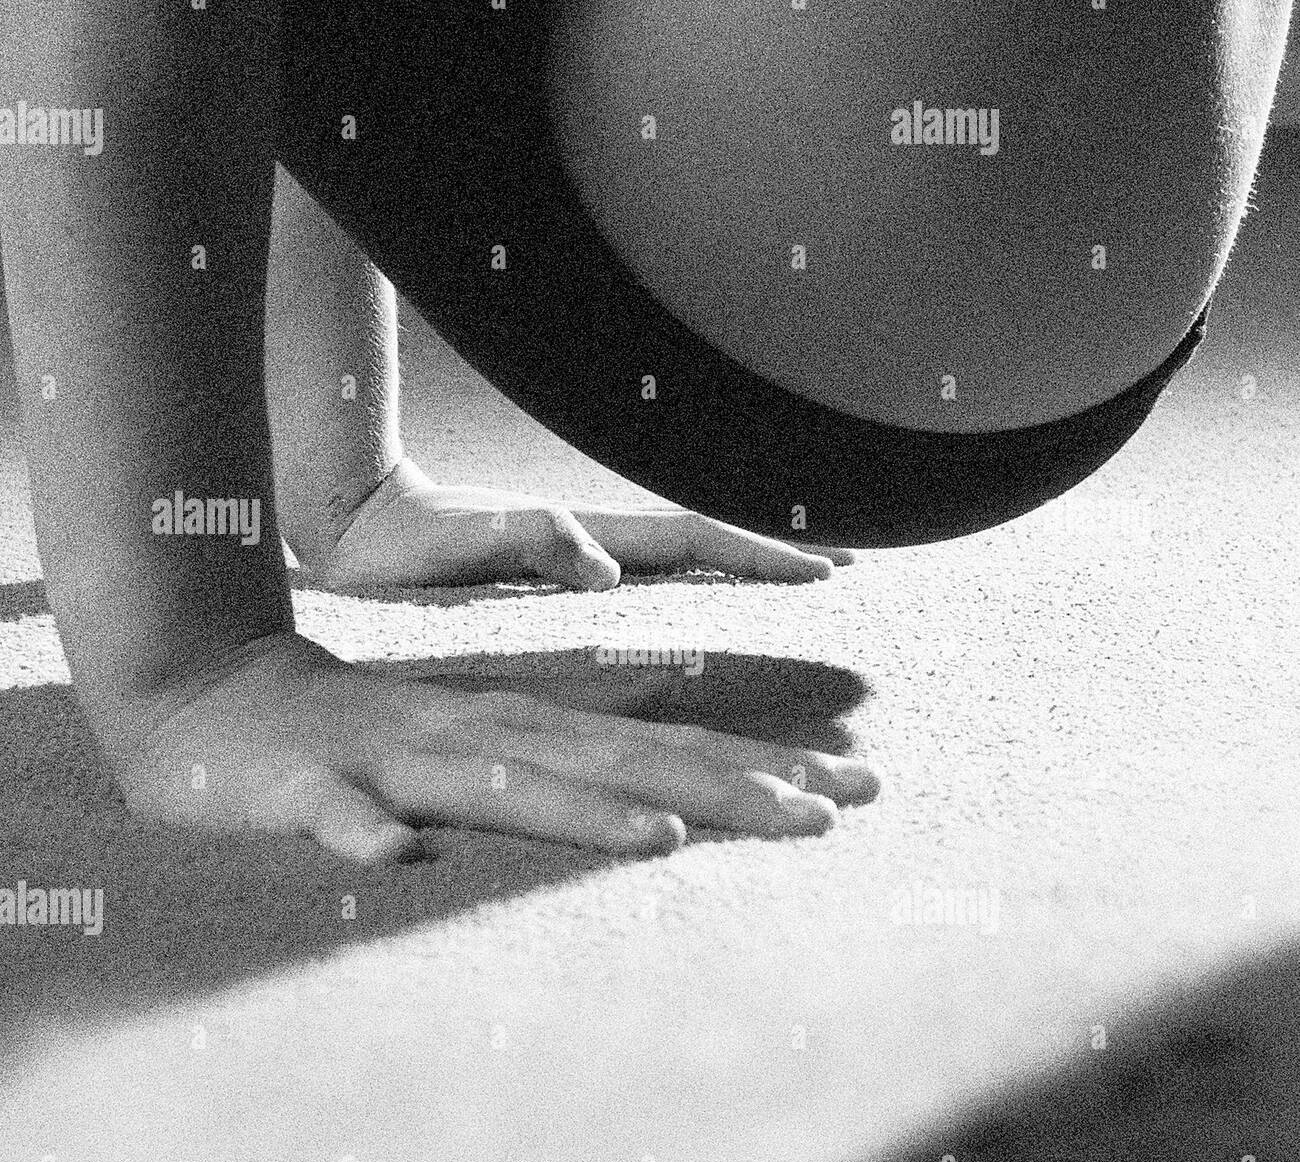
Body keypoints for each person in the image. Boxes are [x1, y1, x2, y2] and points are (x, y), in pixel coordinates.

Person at [0, 1, 1289, 864]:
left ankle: (208, 631)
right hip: (1077, 277)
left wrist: (194, 664)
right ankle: (327, 481)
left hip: (782, 226)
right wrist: (342, 478)